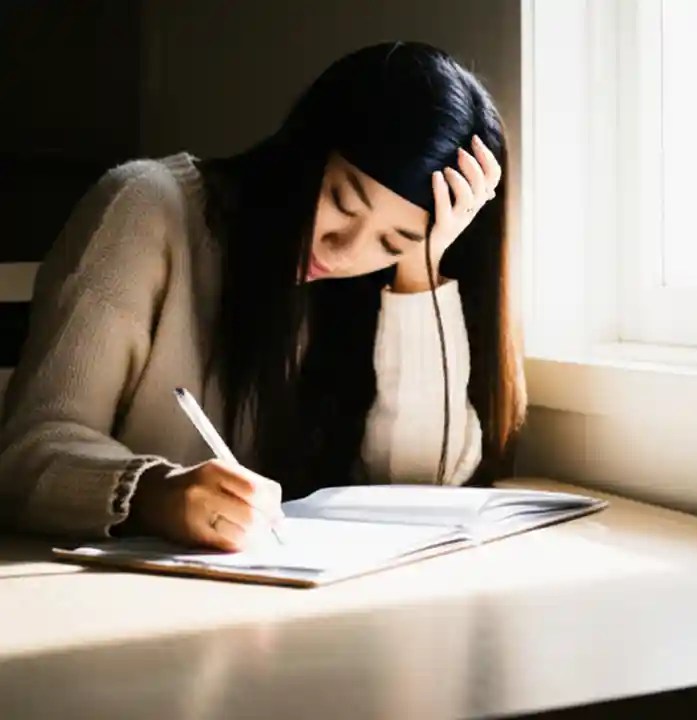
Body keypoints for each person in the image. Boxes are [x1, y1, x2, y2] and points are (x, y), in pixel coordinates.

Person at [0, 42, 526, 551]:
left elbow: (419, 486)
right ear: (307, 147)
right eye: (343, 201)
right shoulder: (148, 210)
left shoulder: (378, 281)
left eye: (391, 240)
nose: (344, 251)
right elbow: (28, 449)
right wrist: (157, 496)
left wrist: (420, 269)